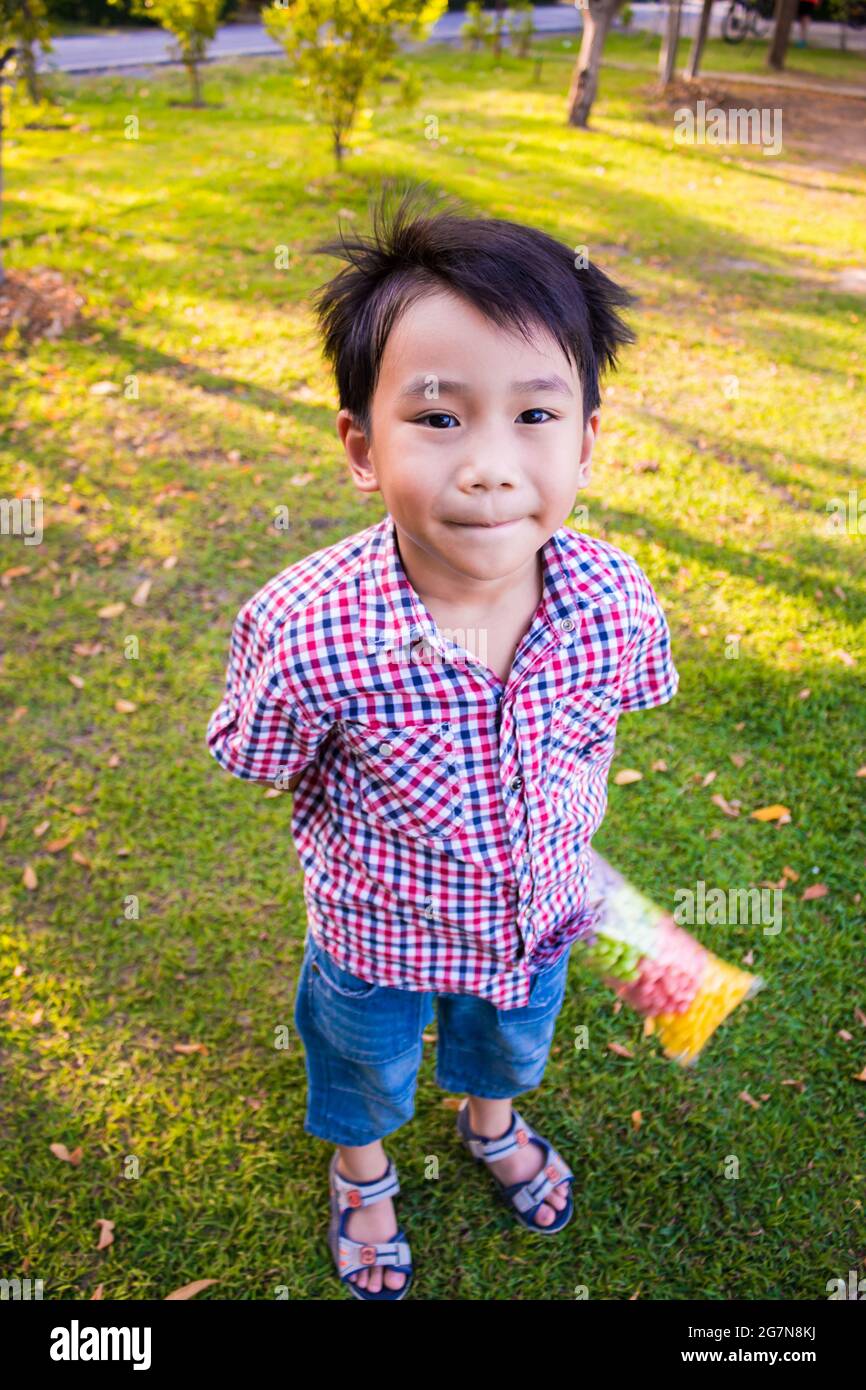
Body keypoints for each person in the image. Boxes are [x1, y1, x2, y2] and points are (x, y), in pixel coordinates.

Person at [205, 182, 680, 1301]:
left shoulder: (614, 598)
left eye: (532, 414)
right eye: (436, 415)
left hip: (537, 913)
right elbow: (259, 756)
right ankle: (362, 1176)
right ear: (360, 446)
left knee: (508, 1044)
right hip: (374, 928)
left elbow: (609, 721)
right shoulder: (306, 624)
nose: (488, 462)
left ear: (587, 439)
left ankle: (489, 1122)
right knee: (362, 1067)